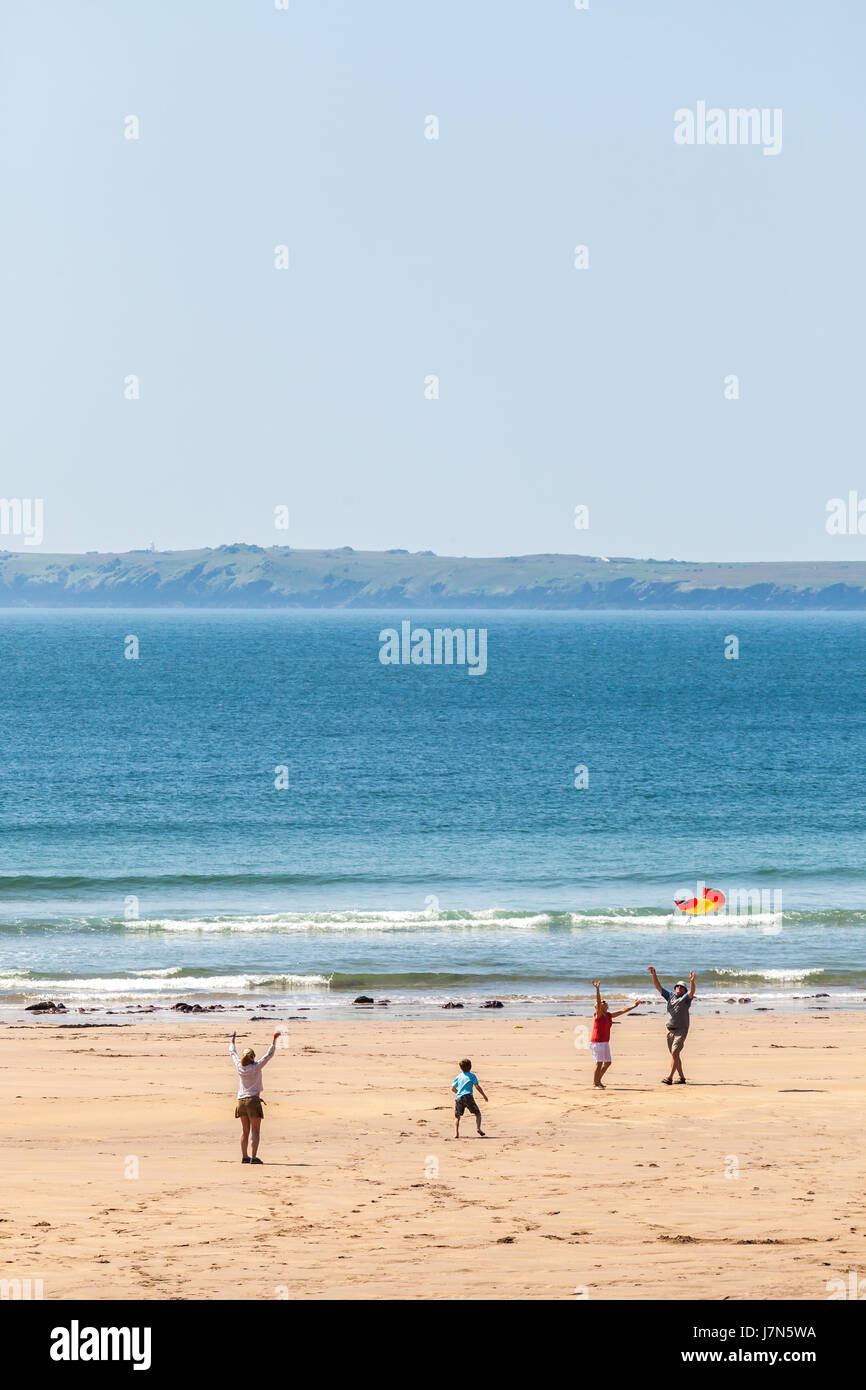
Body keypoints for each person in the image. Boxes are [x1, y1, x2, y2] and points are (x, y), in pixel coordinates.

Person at [230, 1029, 280, 1163]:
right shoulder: (256, 1067)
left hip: (240, 1101)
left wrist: (233, 1039)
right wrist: (274, 1040)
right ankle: (253, 1157)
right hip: (253, 1101)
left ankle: (244, 1157)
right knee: (255, 1131)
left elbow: (232, 1053)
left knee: (245, 1131)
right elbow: (269, 1055)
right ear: (252, 1057)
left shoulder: (239, 1067)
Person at [647, 967, 695, 1084]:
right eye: (677, 986)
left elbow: (692, 992)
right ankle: (682, 1078)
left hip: (681, 1030)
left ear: (684, 990)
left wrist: (692, 981)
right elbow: (658, 987)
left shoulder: (686, 999)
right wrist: (654, 974)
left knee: (674, 1053)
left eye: (682, 987)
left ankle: (669, 1077)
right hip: (670, 1030)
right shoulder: (670, 996)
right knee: (675, 1055)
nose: (679, 988)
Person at [589, 980, 640, 1089]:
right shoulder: (598, 1015)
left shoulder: (608, 1015)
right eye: (602, 1002)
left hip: (605, 1042)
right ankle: (595, 1083)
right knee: (599, 1063)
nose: (604, 1002)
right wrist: (597, 989)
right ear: (598, 1007)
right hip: (597, 1042)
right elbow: (598, 1001)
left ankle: (598, 1080)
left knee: (607, 1062)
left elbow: (622, 1010)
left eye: (604, 1001)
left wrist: (634, 1006)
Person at [451, 1058, 488, 1138]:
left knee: (457, 1117)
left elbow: (453, 1088)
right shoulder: (472, 1076)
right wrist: (484, 1095)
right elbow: (477, 1086)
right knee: (477, 1113)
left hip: (459, 1098)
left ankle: (456, 1134)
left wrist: (459, 1093)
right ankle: (478, 1128)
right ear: (470, 1067)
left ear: (460, 1068)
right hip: (468, 1096)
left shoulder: (459, 1076)